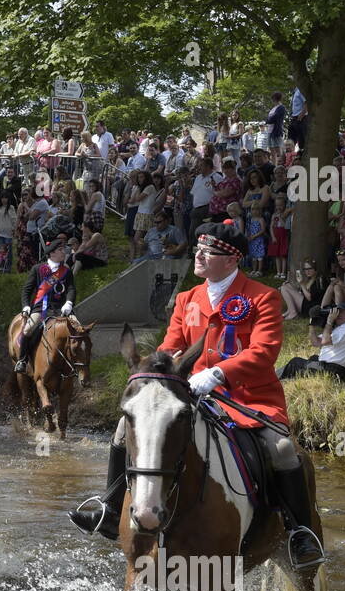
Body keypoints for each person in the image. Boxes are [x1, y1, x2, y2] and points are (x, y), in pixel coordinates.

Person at [68, 221, 326, 571]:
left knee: (282, 450)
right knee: (121, 428)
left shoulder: (262, 296)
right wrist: (165, 374)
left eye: (209, 251)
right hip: (190, 393)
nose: (199, 255)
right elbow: (171, 345)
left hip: (248, 399)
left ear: (231, 260)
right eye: (199, 247)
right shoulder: (188, 299)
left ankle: (299, 533)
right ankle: (112, 509)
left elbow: (264, 351)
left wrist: (219, 372)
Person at [14, 239, 77, 373]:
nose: (63, 252)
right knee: (27, 330)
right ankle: (22, 360)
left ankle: (78, 362)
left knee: (79, 329)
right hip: (41, 308)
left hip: (61, 308)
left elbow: (71, 289)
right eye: (60, 250)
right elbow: (27, 290)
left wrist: (69, 302)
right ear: (52, 253)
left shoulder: (66, 271)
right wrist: (26, 306)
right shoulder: (38, 269)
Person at [278, 304, 345, 380]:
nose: (338, 314)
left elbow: (325, 340)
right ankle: (289, 376)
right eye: (337, 312)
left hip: (334, 370)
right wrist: (312, 323)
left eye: (341, 312)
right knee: (313, 358)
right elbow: (315, 343)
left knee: (295, 362)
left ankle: (274, 376)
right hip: (332, 367)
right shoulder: (340, 329)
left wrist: (329, 322)